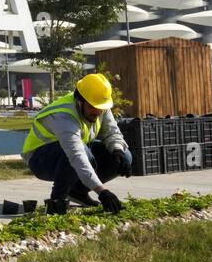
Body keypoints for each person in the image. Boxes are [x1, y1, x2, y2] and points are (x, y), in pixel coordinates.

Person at [21, 72, 132, 215]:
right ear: (80, 101)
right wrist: (102, 192)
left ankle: (78, 191)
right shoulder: (63, 115)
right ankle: (57, 200)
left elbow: (112, 132)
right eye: (93, 107)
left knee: (125, 156)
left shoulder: (100, 105)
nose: (97, 112)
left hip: (74, 151)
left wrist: (118, 151)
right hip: (41, 159)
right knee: (84, 154)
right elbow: (77, 156)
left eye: (101, 108)